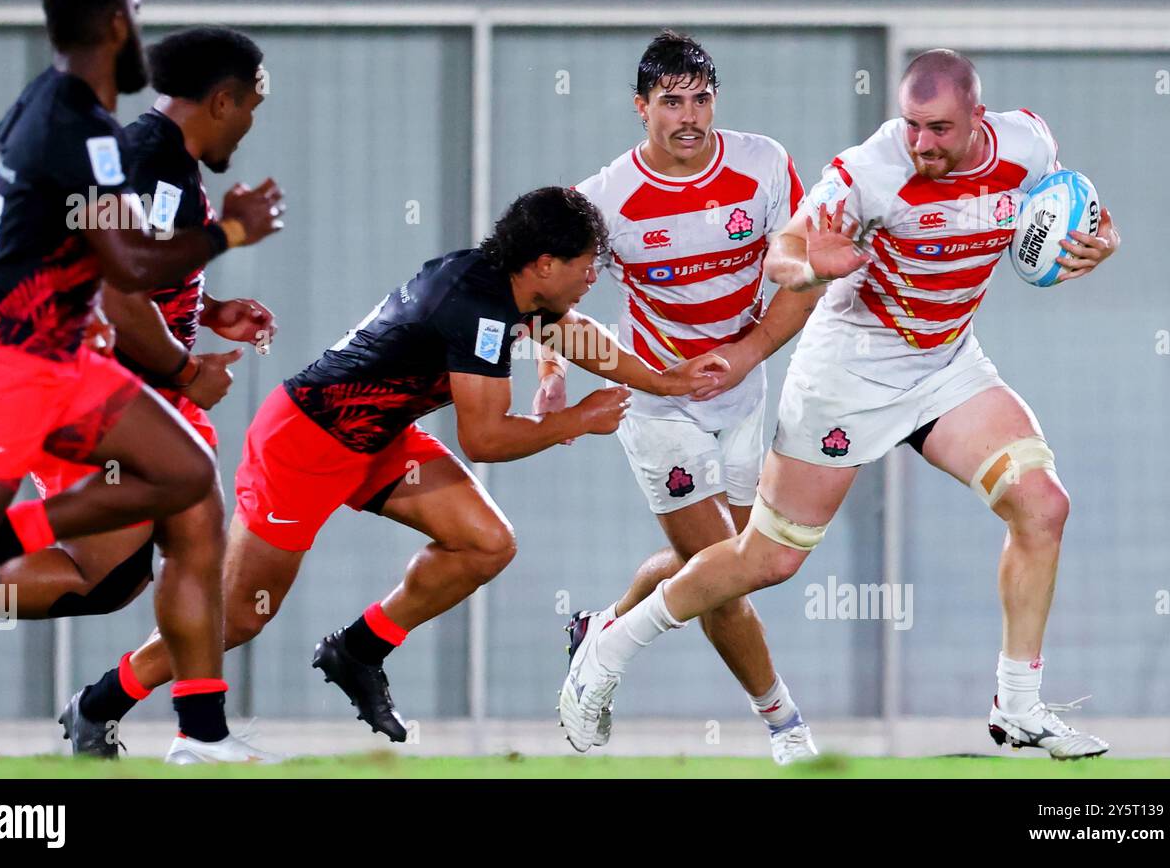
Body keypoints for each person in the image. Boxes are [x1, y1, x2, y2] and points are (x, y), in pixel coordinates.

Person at [561, 48, 1120, 760]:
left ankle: (1018, 709)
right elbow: (786, 252)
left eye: (940, 129)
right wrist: (806, 262)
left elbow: (1083, 206)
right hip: (849, 373)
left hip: (946, 362)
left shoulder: (1027, 142)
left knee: (1043, 506)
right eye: (912, 124)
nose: (922, 143)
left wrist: (1103, 239)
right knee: (765, 560)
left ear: (979, 118)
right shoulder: (869, 170)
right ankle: (608, 647)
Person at [58, 186, 728, 751]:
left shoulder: (515, 289)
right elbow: (486, 439)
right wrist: (574, 421)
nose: (593, 277)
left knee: (485, 542)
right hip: (304, 445)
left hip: (375, 440)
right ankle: (97, 705)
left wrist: (665, 382)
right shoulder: (478, 307)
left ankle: (359, 649)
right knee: (241, 614)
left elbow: (577, 334)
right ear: (546, 263)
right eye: (587, 266)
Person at [0, 0, 283, 761]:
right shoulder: (106, 139)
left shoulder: (64, 112)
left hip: (53, 356)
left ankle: (199, 734)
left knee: (168, 517)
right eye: (137, 7)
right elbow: (131, 278)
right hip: (4, 363)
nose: (143, 22)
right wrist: (227, 236)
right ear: (117, 22)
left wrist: (69, 291)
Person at [536, 32, 821, 764]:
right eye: (671, 102)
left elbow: (804, 281)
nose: (689, 117)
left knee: (737, 560)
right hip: (658, 404)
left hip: (743, 397)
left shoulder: (762, 164)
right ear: (640, 108)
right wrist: (552, 373)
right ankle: (786, 727)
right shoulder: (605, 200)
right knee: (728, 580)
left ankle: (602, 626)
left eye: (701, 99)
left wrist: (747, 355)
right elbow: (547, 299)